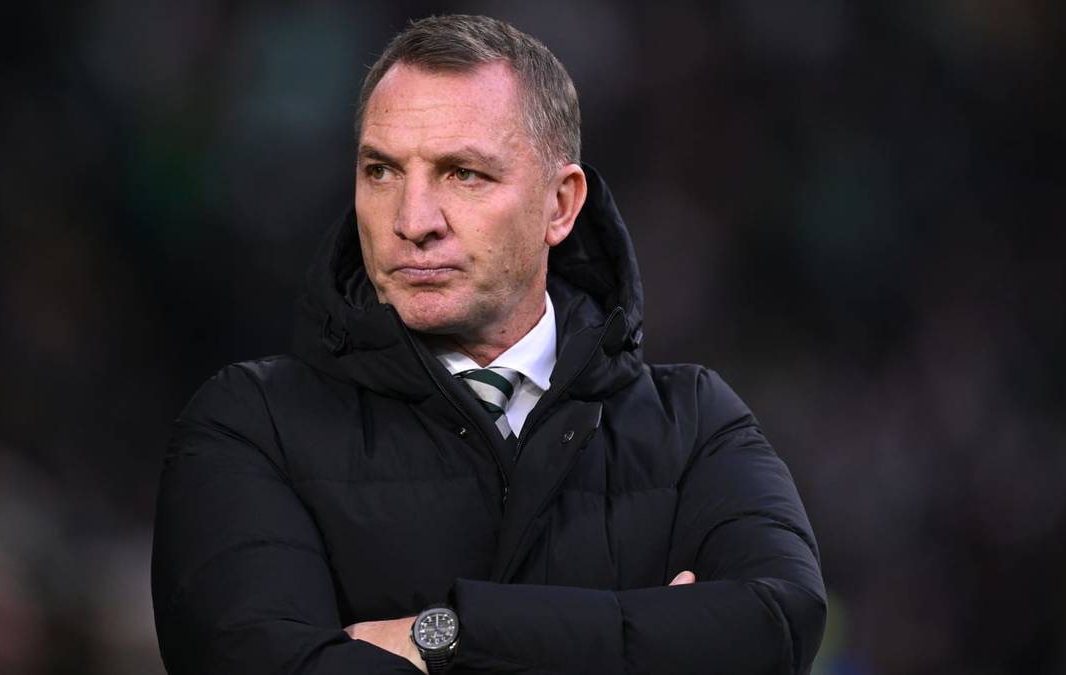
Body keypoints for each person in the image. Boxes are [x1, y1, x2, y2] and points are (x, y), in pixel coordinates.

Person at [151, 14, 825, 675]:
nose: (413, 220)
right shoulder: (249, 425)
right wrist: (647, 638)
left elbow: (775, 626)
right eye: (381, 171)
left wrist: (446, 635)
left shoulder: (696, 423)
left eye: (463, 174)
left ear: (560, 205)